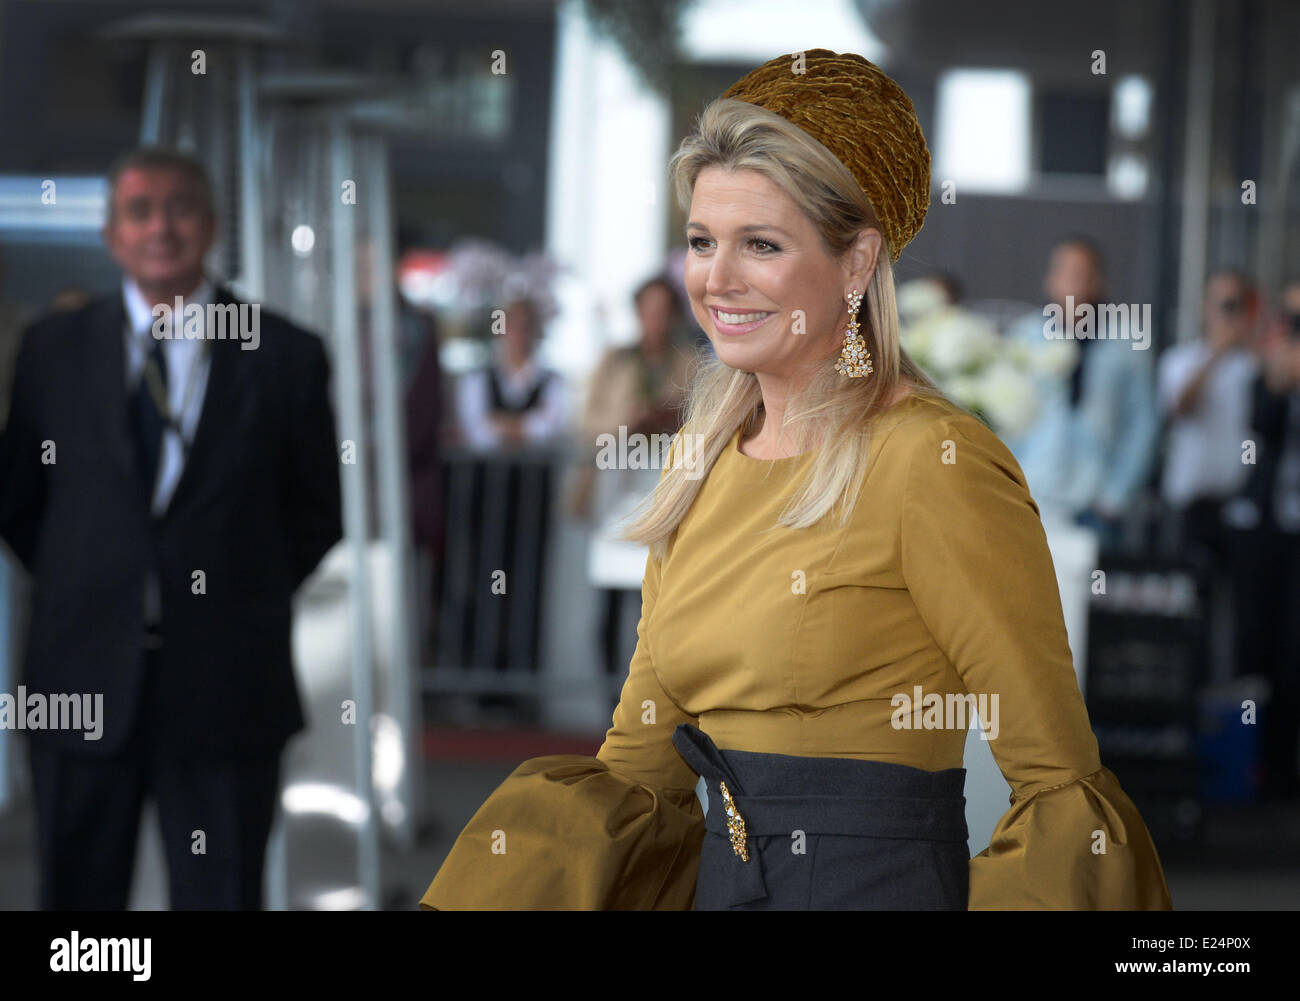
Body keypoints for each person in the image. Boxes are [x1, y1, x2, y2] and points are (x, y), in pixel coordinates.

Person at [419, 49, 1170, 911]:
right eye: (702, 242)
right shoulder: (699, 466)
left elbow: (1055, 780)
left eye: (761, 245)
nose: (716, 278)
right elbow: (637, 772)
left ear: (856, 264)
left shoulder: (932, 461)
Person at [0, 147, 342, 909]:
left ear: (211, 225)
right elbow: (19, 502)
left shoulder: (285, 354)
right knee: (76, 911)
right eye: (139, 209)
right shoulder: (52, 350)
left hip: (227, 686)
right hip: (80, 678)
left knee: (221, 894)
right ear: (111, 231)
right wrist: (95, 580)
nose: (161, 226)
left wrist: (229, 590)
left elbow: (318, 515)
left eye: (179, 208)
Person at [568, 274, 698, 679]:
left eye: (662, 311)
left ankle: (652, 699)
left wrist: (666, 416)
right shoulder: (615, 360)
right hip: (615, 488)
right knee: (609, 596)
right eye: (648, 310)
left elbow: (702, 419)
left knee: (658, 601)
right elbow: (588, 421)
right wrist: (628, 420)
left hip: (666, 492)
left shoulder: (689, 360)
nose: (655, 320)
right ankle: (611, 696)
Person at [1003, 236, 1161, 551]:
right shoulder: (1023, 338)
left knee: (1091, 595)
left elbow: (1143, 423)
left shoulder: (1126, 343)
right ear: (1050, 280)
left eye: (1083, 273)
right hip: (1030, 498)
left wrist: (1115, 496)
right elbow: (1004, 416)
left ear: (1098, 281)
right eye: (1066, 272)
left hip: (1094, 505)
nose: (1074, 282)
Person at [1224, 277, 1300, 800]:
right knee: (1256, 645)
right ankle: (1250, 772)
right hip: (1267, 529)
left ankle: (1284, 767)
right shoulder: (1267, 374)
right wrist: (1280, 374)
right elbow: (1261, 424)